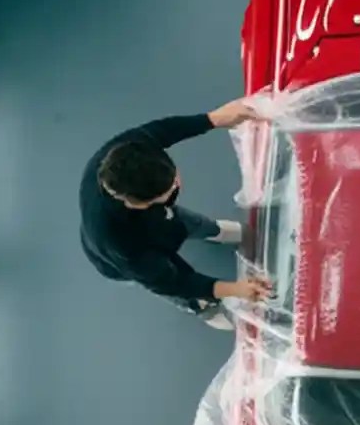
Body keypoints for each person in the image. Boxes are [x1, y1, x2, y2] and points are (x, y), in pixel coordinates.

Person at [80, 99, 272, 330]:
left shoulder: (123, 153)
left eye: (174, 179)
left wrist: (213, 118)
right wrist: (235, 289)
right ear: (137, 204)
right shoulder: (120, 245)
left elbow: (161, 131)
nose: (178, 184)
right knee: (173, 278)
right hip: (133, 251)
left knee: (189, 222)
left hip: (164, 219)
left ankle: (215, 230)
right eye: (168, 190)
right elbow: (173, 282)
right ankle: (200, 306)